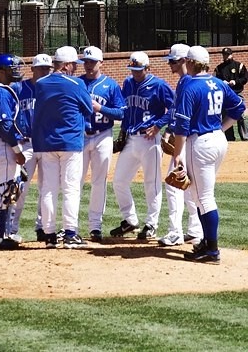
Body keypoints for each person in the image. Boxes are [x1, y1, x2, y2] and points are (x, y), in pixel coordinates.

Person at [172, 46, 245, 264]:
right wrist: (222, 129)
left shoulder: (190, 86)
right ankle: (206, 242)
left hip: (200, 143)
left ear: (191, 62)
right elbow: (239, 108)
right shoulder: (219, 83)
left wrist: (177, 155)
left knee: (203, 198)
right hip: (218, 140)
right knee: (200, 195)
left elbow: (182, 125)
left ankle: (212, 250)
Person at [32, 46, 94, 248]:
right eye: (74, 65)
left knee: (48, 189)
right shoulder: (75, 84)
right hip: (70, 141)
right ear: (67, 65)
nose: (76, 68)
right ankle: (69, 233)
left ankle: (49, 234)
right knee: (70, 189)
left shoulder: (40, 84)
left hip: (46, 142)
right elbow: (87, 109)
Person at [111, 51, 174, 240]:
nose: (135, 73)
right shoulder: (128, 83)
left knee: (151, 183)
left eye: (138, 70)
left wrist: (159, 125)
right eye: (132, 69)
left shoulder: (159, 85)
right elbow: (125, 109)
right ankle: (130, 220)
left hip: (149, 140)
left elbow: (174, 108)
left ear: (148, 68)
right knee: (119, 181)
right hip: (131, 139)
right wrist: (122, 132)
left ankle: (151, 224)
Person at [158, 43, 204, 247]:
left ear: (185, 60)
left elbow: (184, 117)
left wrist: (175, 138)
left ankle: (175, 231)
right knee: (188, 188)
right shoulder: (185, 82)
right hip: (189, 140)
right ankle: (195, 231)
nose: (170, 64)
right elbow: (177, 113)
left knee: (174, 184)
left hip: (186, 140)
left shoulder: (188, 83)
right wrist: (169, 129)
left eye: (173, 61)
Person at [78, 46, 125, 242]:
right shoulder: (77, 83)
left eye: (92, 62)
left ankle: (95, 226)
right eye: (86, 62)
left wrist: (101, 108)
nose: (88, 65)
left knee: (99, 182)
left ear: (100, 63)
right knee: (75, 181)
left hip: (103, 135)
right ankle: (69, 226)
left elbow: (121, 113)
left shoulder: (110, 85)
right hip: (80, 136)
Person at [0, 54, 27, 249]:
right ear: (1, 72)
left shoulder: (0, 90)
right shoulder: (0, 93)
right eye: (12, 68)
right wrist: (17, 150)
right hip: (2, 145)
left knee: (9, 189)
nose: (16, 71)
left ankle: (0, 234)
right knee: (3, 190)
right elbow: (6, 126)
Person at [10, 53, 52, 242]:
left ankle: (43, 228)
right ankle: (11, 228)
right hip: (25, 144)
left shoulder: (52, 89)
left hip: (46, 144)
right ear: (33, 69)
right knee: (20, 188)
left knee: (46, 188)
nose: (44, 71)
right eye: (41, 68)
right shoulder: (19, 88)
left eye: (47, 68)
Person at [214, 47, 247, 141]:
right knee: (226, 116)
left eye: (227, 55)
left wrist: (235, 82)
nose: (226, 57)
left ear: (231, 55)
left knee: (240, 115)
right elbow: (215, 80)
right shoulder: (219, 68)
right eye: (224, 55)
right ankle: (229, 138)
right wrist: (222, 82)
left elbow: (244, 78)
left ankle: (245, 137)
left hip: (236, 93)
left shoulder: (239, 66)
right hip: (225, 95)